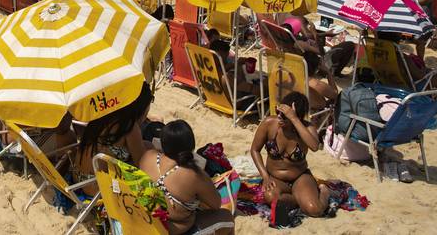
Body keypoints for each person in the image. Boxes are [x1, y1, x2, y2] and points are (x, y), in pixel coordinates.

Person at [139, 120, 234, 235]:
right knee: (226, 216)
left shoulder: (148, 156)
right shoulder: (194, 174)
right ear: (190, 146)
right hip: (171, 229)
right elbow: (216, 204)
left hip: (145, 219)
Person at [250, 91, 331, 219]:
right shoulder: (269, 124)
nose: (280, 117)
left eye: (285, 115)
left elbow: (314, 146)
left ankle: (324, 192)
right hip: (276, 178)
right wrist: (265, 176)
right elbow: (255, 150)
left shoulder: (307, 128)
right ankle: (299, 199)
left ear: (297, 117)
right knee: (271, 198)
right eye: (279, 112)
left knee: (315, 210)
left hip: (299, 177)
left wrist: (293, 119)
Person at [71, 82, 153, 187]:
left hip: (77, 179)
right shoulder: (129, 126)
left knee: (146, 146)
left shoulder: (105, 113)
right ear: (141, 107)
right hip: (95, 187)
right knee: (149, 160)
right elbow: (142, 164)